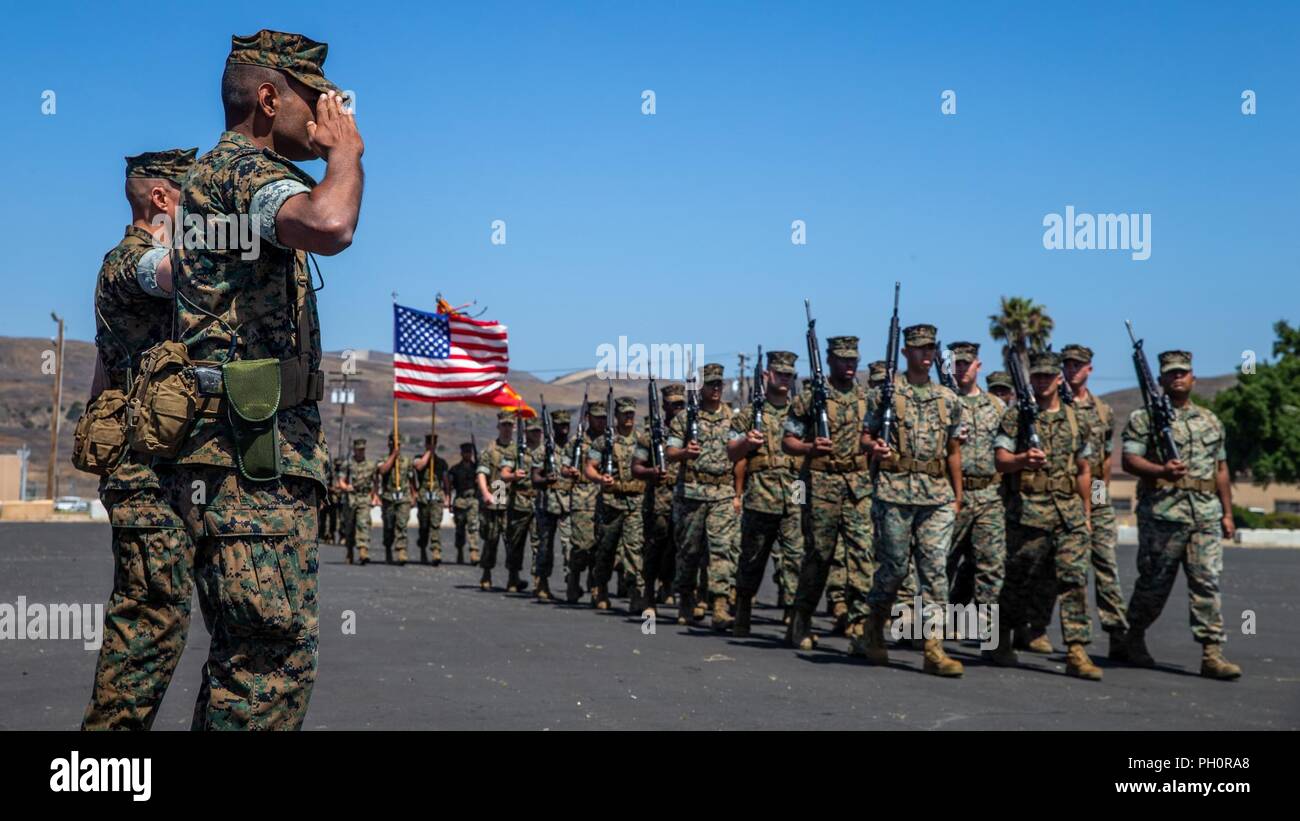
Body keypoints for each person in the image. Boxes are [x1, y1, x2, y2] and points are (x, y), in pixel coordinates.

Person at [152, 29, 363, 728]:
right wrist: (347, 154)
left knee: (250, 661)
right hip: (249, 463)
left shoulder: (227, 176)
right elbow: (332, 222)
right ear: (269, 98)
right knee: (268, 665)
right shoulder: (243, 172)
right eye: (316, 97)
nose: (329, 111)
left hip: (248, 456)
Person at [82, 147, 196, 731]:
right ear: (161, 199)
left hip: (154, 465)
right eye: (191, 196)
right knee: (149, 619)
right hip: (141, 471)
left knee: (161, 617)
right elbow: (178, 272)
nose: (200, 206)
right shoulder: (132, 262)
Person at [1120, 350, 1241, 679]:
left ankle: (1211, 652)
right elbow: (1129, 460)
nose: (1177, 377)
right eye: (1171, 373)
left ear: (1193, 378)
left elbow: (1221, 468)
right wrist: (1160, 469)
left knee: (1207, 582)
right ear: (1160, 380)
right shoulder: (1144, 418)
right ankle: (1131, 636)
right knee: (1154, 584)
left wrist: (1227, 513)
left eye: (1183, 372)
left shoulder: (1210, 420)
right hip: (1163, 513)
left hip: (1204, 513)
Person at [859, 325, 964, 677]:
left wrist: (957, 496)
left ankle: (933, 649)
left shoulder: (949, 399)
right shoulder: (885, 395)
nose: (926, 354)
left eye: (931, 348)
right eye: (919, 348)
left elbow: (953, 450)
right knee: (895, 569)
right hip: (894, 490)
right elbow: (865, 436)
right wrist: (874, 446)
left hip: (936, 494)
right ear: (906, 353)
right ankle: (872, 629)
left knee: (935, 571)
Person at [993, 351, 1101, 680]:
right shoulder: (1017, 417)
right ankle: (1001, 635)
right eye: (1036, 376)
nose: (1041, 381)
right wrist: (1023, 459)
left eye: (1046, 376)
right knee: (1018, 580)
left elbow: (1086, 470)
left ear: (1058, 379)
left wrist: (1088, 512)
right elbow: (999, 460)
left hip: (1068, 514)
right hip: (1028, 512)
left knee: (1073, 580)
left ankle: (1077, 651)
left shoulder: (1077, 419)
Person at [728, 350, 803, 637]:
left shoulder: (801, 411)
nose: (784, 379)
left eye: (788, 374)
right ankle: (743, 609)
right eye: (779, 373)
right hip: (762, 489)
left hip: (797, 489)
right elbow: (730, 452)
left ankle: (795, 619)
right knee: (753, 556)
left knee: (796, 555)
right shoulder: (749, 415)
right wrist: (747, 443)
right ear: (766, 375)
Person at [412, 433, 451, 565]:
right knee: (424, 526)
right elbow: (419, 466)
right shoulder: (418, 458)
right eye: (429, 444)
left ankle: (436, 551)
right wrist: (429, 452)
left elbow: (446, 482)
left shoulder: (441, 463)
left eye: (433, 444)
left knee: (435, 525)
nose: (432, 446)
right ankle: (422, 546)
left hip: (436, 496)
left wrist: (447, 497)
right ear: (426, 444)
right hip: (423, 497)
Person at [448, 442, 480, 564]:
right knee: (460, 529)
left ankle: (474, 552)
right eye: (465, 452)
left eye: (469, 452)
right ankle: (460, 550)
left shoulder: (476, 468)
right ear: (462, 453)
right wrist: (449, 502)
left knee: (473, 527)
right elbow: (450, 486)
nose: (468, 454)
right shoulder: (455, 469)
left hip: (473, 500)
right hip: (460, 501)